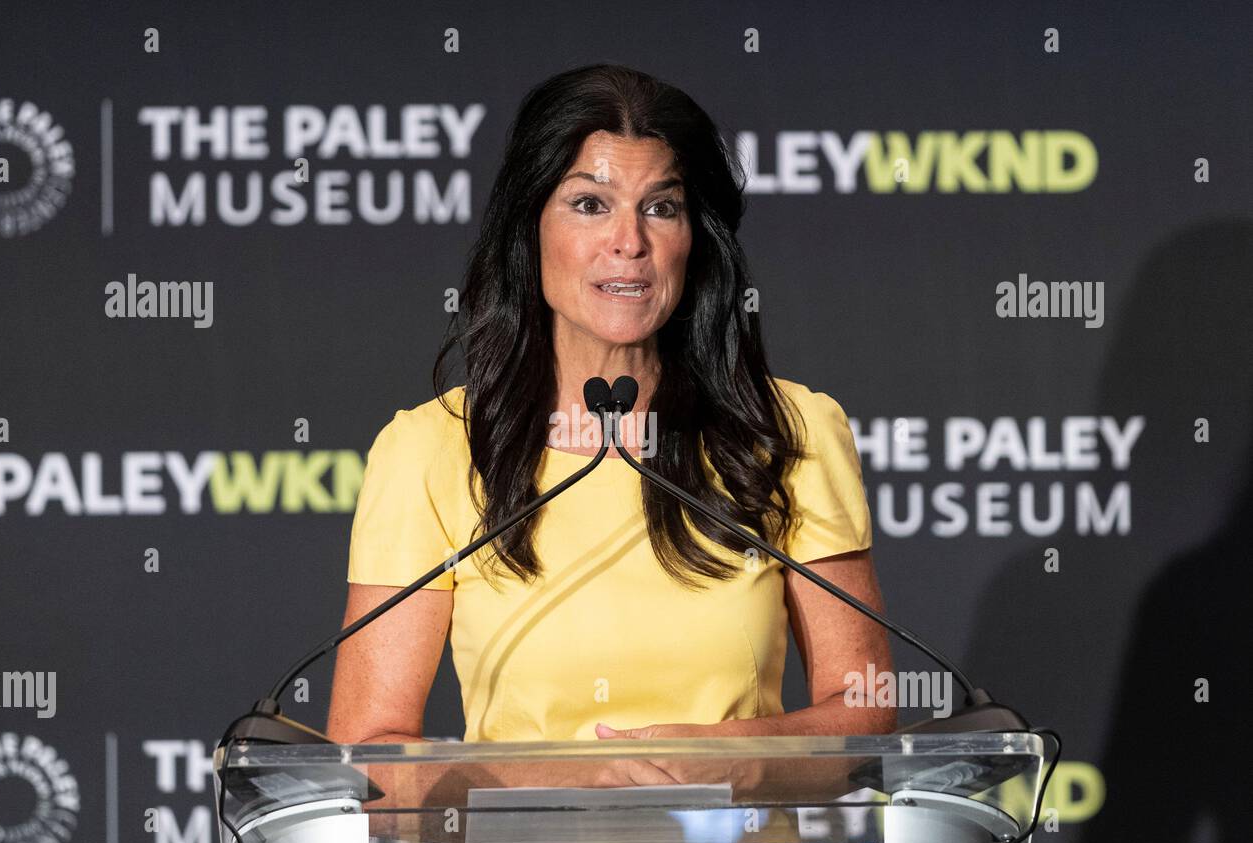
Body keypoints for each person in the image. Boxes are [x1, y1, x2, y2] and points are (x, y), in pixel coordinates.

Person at [325, 64, 896, 760]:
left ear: (696, 237)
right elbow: (370, 750)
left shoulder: (785, 430)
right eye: (590, 204)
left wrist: (723, 762)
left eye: (661, 207)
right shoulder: (432, 449)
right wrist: (574, 785)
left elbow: (862, 710)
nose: (630, 241)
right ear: (529, 227)